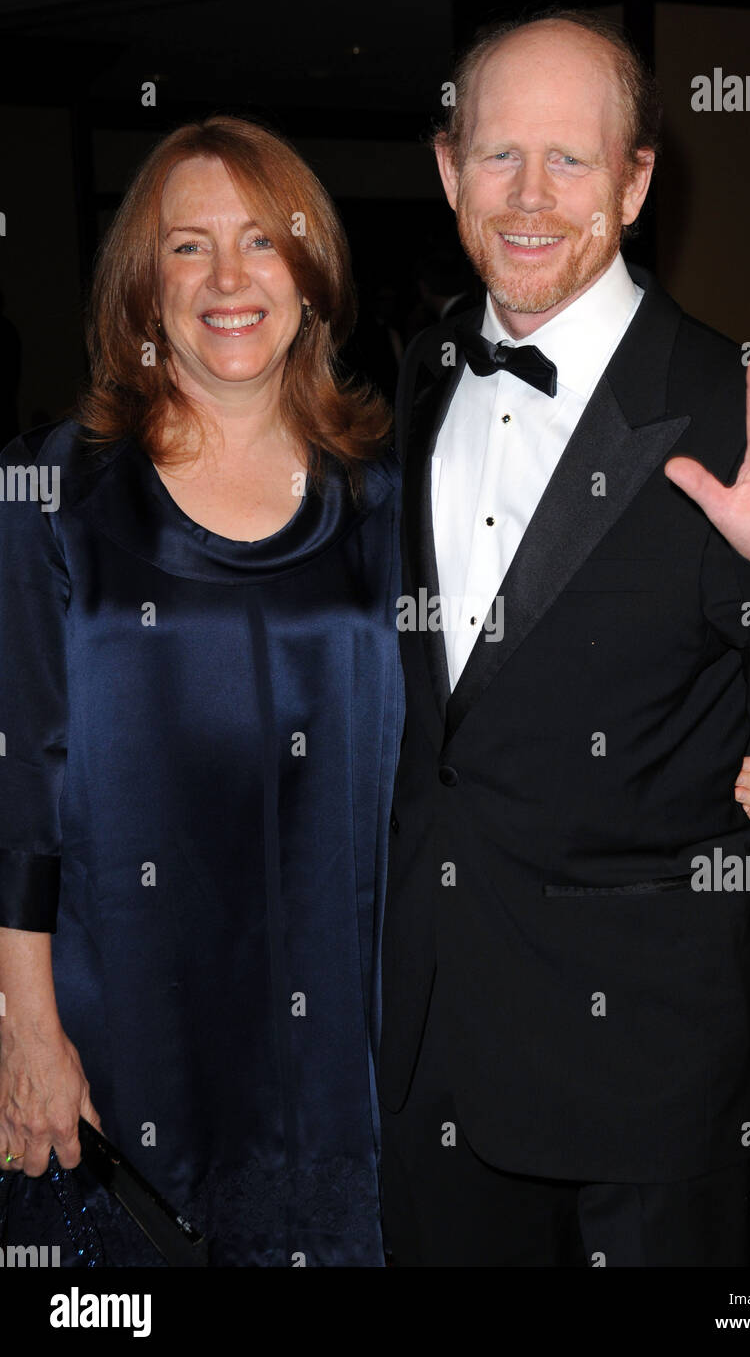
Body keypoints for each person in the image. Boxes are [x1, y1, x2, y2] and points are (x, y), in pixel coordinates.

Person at [378, 9, 750, 1267]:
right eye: (498, 155)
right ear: (449, 170)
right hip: (437, 1038)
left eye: (572, 159)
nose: (531, 197)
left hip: (651, 1077)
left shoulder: (733, 405)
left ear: (636, 178)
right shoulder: (426, 370)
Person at [0, 116, 401, 1266]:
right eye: (187, 247)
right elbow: (16, 789)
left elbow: (482, 724)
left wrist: (718, 746)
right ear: (142, 288)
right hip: (122, 1046)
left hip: (343, 1057)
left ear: (311, 278)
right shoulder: (47, 494)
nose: (229, 278)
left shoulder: (385, 504)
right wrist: (27, 1030)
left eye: (262, 243)